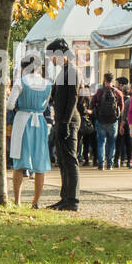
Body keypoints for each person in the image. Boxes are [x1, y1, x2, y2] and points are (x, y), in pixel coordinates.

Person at [9, 53, 52, 207]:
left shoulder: (20, 82)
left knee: (19, 162)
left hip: (22, 120)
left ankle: (17, 201)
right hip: (39, 121)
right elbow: (46, 106)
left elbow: (10, 104)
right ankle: (36, 201)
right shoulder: (47, 84)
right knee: (40, 162)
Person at [46, 39, 82, 211]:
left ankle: (72, 199)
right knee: (62, 160)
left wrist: (65, 123)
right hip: (61, 120)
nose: (51, 60)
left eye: (53, 56)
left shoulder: (72, 71)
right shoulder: (64, 71)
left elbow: (72, 100)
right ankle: (65, 197)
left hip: (69, 121)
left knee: (69, 160)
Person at [90, 72, 124, 170]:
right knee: (111, 142)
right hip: (113, 121)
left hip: (100, 120)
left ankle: (101, 164)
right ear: (112, 80)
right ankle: (110, 163)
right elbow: (122, 106)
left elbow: (92, 104)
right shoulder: (116, 92)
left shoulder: (99, 92)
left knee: (101, 142)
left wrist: (94, 111)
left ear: (104, 79)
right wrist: (117, 115)